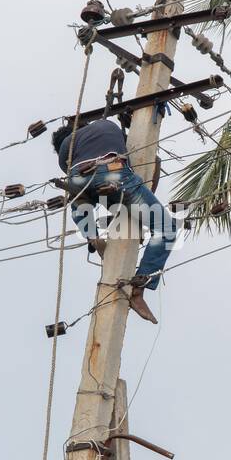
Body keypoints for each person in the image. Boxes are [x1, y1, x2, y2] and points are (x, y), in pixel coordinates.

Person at [53, 116, 176, 324]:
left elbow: (69, 166)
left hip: (79, 176)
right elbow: (150, 155)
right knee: (166, 227)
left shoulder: (67, 145)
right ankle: (139, 286)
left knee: (79, 201)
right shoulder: (107, 125)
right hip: (113, 173)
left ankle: (92, 236)